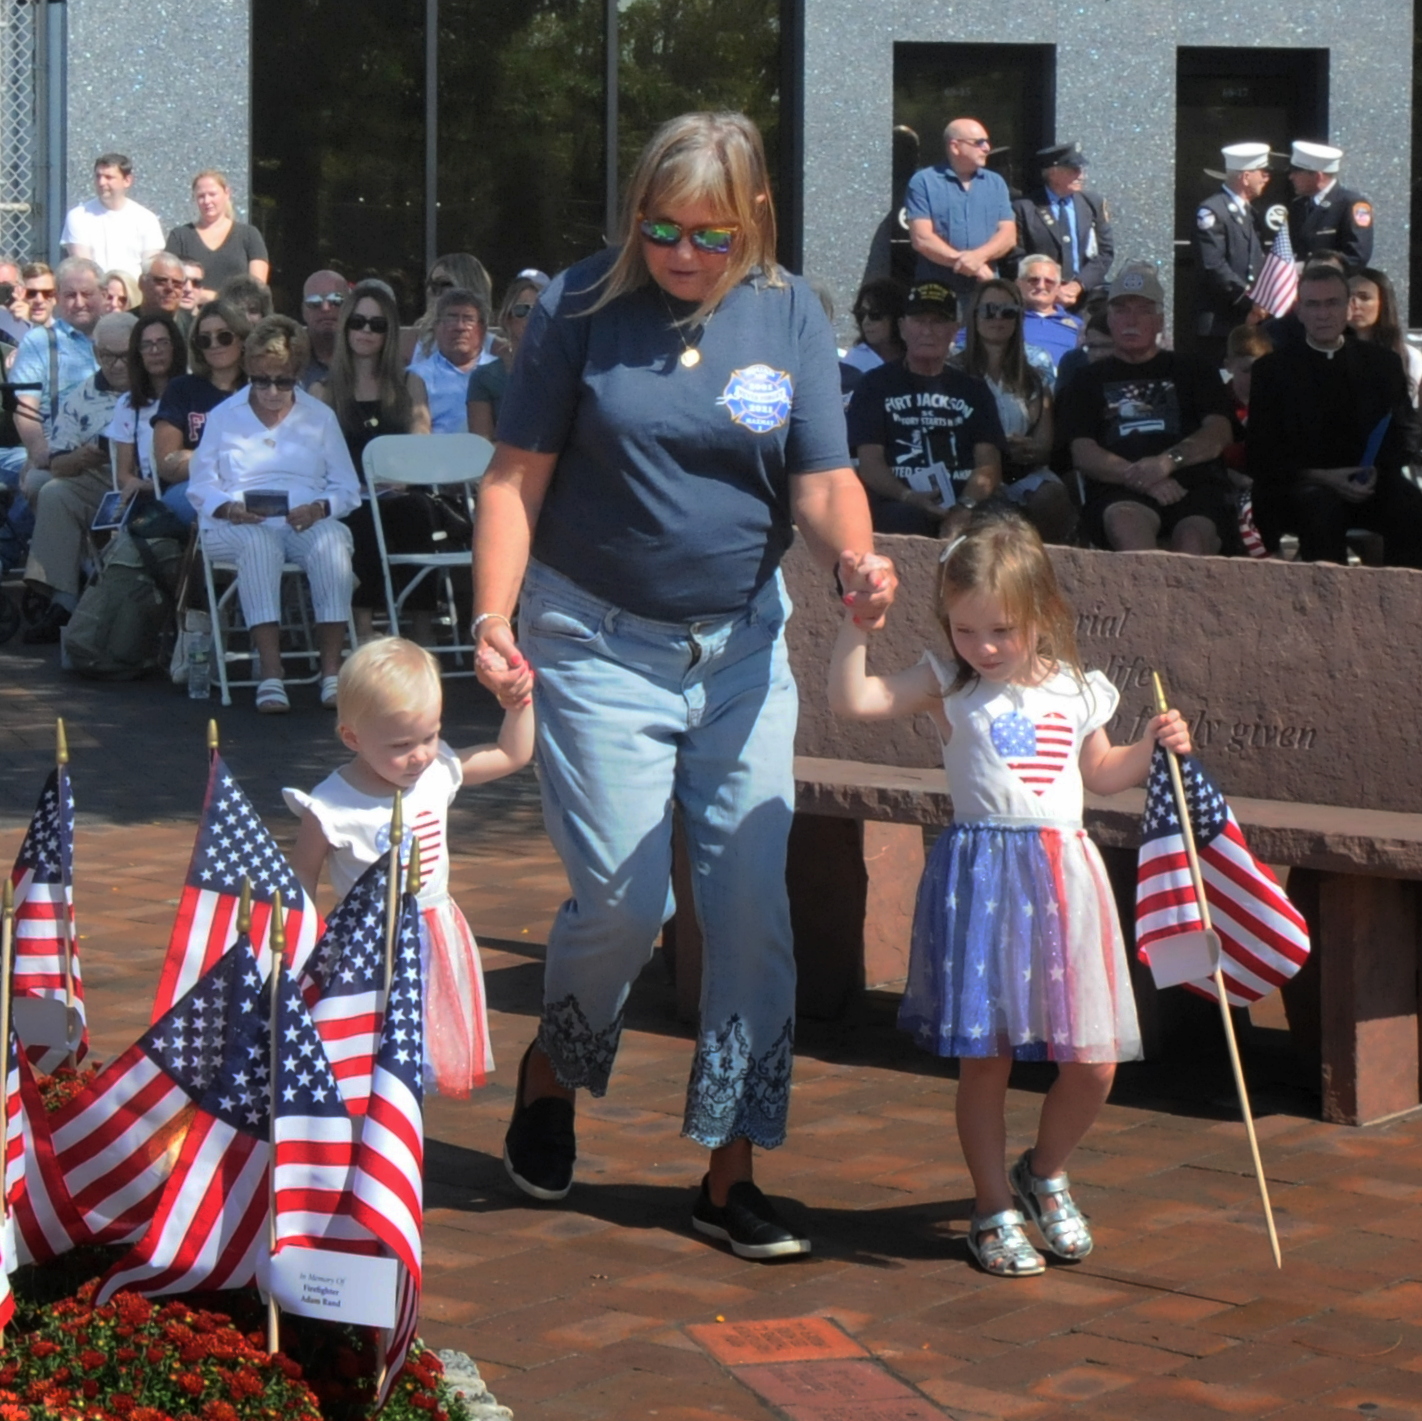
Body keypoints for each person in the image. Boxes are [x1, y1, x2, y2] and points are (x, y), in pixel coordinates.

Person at [472, 110, 896, 1253]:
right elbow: (513, 480)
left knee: (753, 909)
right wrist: (491, 615)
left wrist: (854, 559)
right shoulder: (576, 307)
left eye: (709, 234)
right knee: (623, 900)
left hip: (742, 651)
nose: (682, 253)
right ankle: (554, 1071)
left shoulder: (791, 311)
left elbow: (822, 481)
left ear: (752, 217)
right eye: (660, 227)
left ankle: (729, 1171)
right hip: (595, 641)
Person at [828, 510, 1191, 1276]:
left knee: (1093, 1059)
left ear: (1041, 615)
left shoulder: (1072, 688)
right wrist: (858, 625)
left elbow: (1099, 773)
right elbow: (853, 703)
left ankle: (1045, 1170)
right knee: (985, 1059)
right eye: (965, 630)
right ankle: (992, 1204)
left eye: (1000, 630)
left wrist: (1154, 749)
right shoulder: (947, 681)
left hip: (1065, 880)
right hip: (983, 882)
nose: (982, 647)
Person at [286, 636, 533, 1096]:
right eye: (401, 744)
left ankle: (400, 1137)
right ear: (352, 737)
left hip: (433, 935)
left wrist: (518, 705)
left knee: (420, 1051)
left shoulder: (436, 769)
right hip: (366, 944)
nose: (420, 754)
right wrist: (303, 940)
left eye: (430, 735)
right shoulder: (332, 803)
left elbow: (511, 755)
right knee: (364, 1053)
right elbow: (302, 873)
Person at [187, 315, 360, 712]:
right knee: (260, 544)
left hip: (302, 517)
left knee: (332, 541)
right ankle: (271, 673)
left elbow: (347, 488)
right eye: (261, 380)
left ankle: (331, 673)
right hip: (234, 522)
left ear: (298, 374)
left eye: (283, 381)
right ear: (248, 371)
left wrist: (319, 508)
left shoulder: (319, 416)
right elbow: (200, 485)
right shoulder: (224, 416)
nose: (271, 390)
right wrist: (229, 508)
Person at [1247, 263, 1422, 567]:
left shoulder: (1382, 364)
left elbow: (1406, 431)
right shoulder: (1271, 371)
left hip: (1371, 483)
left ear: (1347, 307)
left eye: (1332, 303)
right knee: (1320, 507)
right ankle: (1328, 608)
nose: (1323, 313)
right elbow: (1262, 451)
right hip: (1299, 488)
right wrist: (1324, 477)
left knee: (1412, 509)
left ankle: (1403, 607)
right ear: (1299, 311)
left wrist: (1375, 472)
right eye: (1313, 304)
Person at [1056, 262, 1236, 554]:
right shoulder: (1086, 379)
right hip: (1120, 489)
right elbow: (1082, 451)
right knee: (1127, 527)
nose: (1132, 320)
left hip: (1191, 486)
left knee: (1192, 540)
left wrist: (1166, 462)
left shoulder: (1195, 369)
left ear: (1160, 321)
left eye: (1143, 310)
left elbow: (1218, 432)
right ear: (1110, 320)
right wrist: (1142, 478)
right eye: (1122, 310)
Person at [310, 279, 436, 641]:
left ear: (389, 332)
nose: (366, 331)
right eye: (358, 322)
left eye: (377, 324)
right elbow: (314, 457)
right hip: (349, 495)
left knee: (417, 512)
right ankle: (364, 632)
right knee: (359, 518)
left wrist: (402, 478)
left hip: (400, 490)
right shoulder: (322, 392)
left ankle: (422, 633)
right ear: (346, 326)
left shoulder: (409, 385)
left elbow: (421, 441)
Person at [846, 281, 1004, 538]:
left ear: (955, 330)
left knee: (1004, 525)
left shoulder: (975, 391)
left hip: (967, 501)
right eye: (919, 321)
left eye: (938, 322)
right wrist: (908, 497)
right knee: (907, 521)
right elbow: (870, 464)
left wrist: (964, 508)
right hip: (898, 502)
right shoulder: (874, 386)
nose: (928, 331)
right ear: (902, 328)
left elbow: (988, 465)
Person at [19, 311, 137, 642]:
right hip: (98, 476)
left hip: (147, 480)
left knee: (50, 489)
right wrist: (85, 453)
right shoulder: (81, 395)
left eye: (124, 355)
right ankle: (64, 600)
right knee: (52, 488)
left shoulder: (160, 386)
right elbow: (58, 461)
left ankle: (75, 580)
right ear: (96, 354)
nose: (115, 365)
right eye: (107, 356)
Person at [955, 281, 1074, 542]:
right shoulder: (953, 372)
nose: (998, 318)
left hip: (1020, 470)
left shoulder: (1033, 378)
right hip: (969, 469)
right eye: (989, 310)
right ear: (973, 316)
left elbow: (1044, 447)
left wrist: (1029, 448)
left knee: (1053, 496)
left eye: (1007, 311)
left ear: (1019, 318)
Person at [13, 258, 104, 499]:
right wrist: (39, 451)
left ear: (102, 294)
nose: (79, 303)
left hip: (116, 452)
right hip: (61, 455)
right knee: (39, 483)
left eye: (87, 293)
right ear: (58, 299)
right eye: (70, 295)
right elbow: (24, 407)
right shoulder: (40, 341)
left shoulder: (121, 336)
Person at [905, 117, 1016, 299]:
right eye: (979, 142)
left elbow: (1008, 235)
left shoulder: (995, 183)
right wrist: (967, 264)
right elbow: (922, 238)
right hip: (937, 291)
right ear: (955, 146)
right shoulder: (924, 181)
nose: (987, 148)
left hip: (985, 288)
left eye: (987, 142)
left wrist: (978, 258)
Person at [152, 299, 250, 499]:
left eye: (224, 337)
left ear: (242, 340)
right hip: (191, 487)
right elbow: (167, 466)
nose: (214, 345)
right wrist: (237, 458)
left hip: (250, 484)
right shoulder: (181, 389)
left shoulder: (260, 388)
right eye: (204, 339)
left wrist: (194, 456)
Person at [107, 312, 192, 526]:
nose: (155, 351)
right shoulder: (127, 404)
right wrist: (142, 485)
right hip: (151, 496)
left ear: (175, 347)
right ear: (138, 353)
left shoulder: (194, 391)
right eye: (147, 345)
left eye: (162, 343)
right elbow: (123, 474)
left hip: (190, 483)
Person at [1193, 142, 1271, 366]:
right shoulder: (1211, 211)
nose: (1266, 178)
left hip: (1249, 320)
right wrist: (1249, 300)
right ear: (1246, 177)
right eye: (1262, 173)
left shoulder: (1249, 213)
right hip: (1221, 324)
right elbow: (1213, 265)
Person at [1010, 144, 1113, 309]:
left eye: (1081, 169)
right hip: (1041, 300)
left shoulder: (1092, 203)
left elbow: (1105, 252)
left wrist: (1078, 285)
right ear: (1053, 173)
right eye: (1074, 169)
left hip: (1087, 299)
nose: (1081, 175)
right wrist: (1050, 288)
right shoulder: (1024, 208)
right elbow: (1016, 257)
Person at [60, 153, 164, 278]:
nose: (101, 182)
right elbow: (83, 267)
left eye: (109, 177)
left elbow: (149, 268)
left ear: (127, 180)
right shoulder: (78, 216)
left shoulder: (146, 219)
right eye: (98, 176)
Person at [164, 169, 270, 292]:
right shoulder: (179, 236)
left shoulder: (249, 235)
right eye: (201, 196)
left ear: (227, 193)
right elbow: (169, 282)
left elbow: (258, 289)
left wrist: (213, 298)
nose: (207, 201)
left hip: (237, 310)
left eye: (212, 194)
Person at [407, 288, 494, 433]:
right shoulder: (419, 375)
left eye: (468, 319)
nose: (459, 327)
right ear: (436, 327)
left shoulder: (500, 371)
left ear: (483, 329)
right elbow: (419, 432)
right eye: (451, 318)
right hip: (437, 453)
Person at [467, 276, 543, 439]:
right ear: (507, 317)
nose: (531, 317)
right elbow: (482, 445)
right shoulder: (485, 377)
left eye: (538, 310)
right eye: (522, 310)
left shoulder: (565, 372)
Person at [1287, 141, 1373, 270]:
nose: (1291, 177)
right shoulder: (1298, 205)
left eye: (1297, 172)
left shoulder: (1353, 204)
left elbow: (1357, 256)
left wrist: (1309, 267)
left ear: (1317, 176)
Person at [1347, 267, 1422, 406]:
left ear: (1383, 303)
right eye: (1347, 296)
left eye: (1364, 297)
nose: (1354, 304)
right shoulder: (1331, 354)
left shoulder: (1411, 358)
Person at [407, 253, 493, 364]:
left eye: (444, 284)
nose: (431, 291)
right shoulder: (413, 341)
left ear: (468, 286)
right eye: (430, 284)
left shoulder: (497, 348)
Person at [1014, 256, 1083, 375]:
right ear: (1018, 284)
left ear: (1058, 288)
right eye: (1033, 280)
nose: (1041, 286)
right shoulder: (1004, 319)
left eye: (1049, 282)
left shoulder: (1079, 325)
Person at [299, 269, 349, 388]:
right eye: (314, 301)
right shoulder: (288, 361)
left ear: (350, 306)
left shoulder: (368, 360)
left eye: (336, 300)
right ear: (303, 311)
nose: (325, 308)